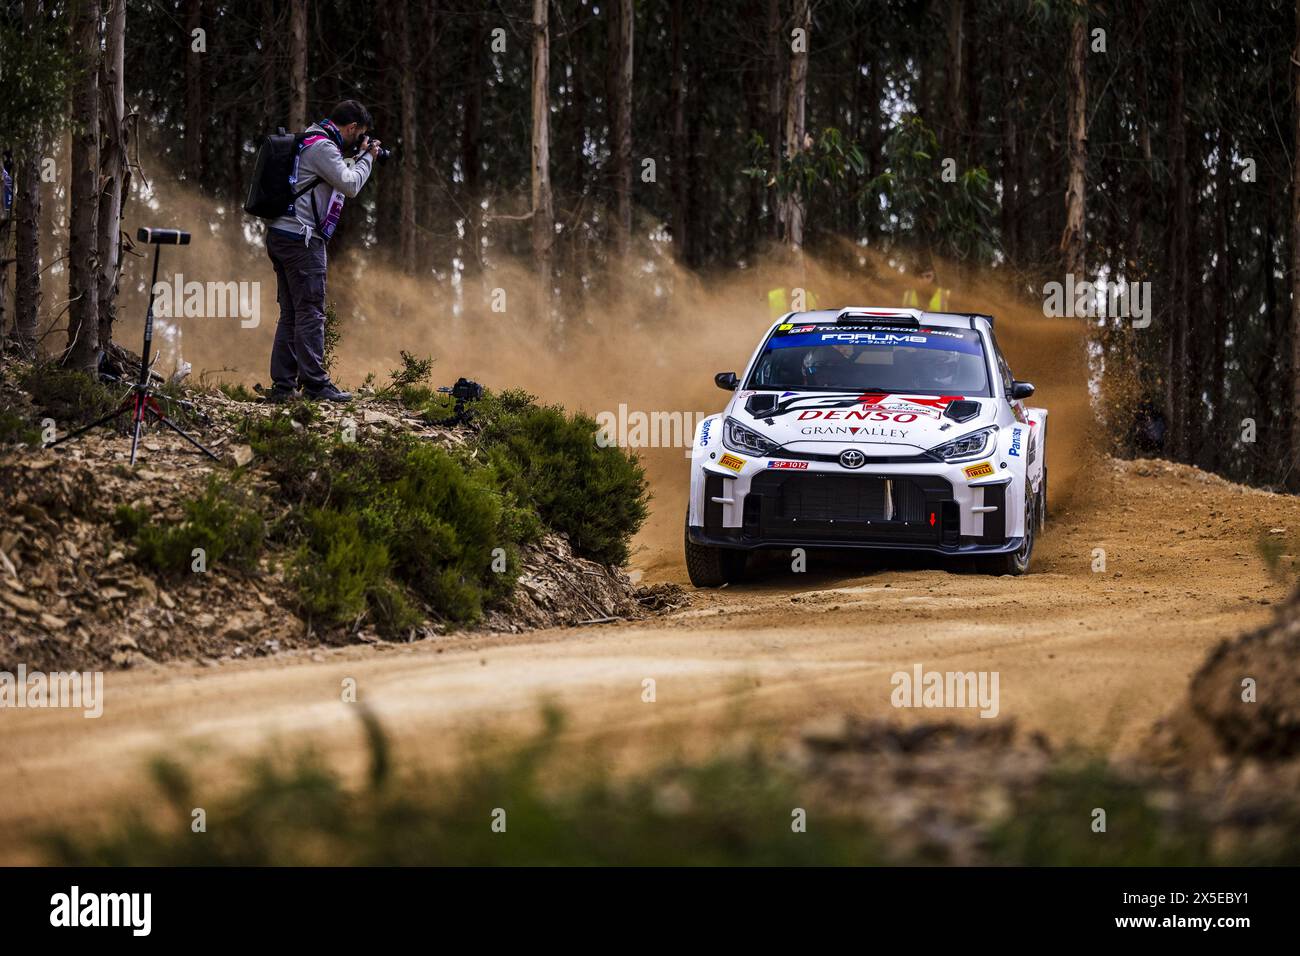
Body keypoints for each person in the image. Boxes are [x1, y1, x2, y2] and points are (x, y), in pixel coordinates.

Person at [265, 100, 382, 403]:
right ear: (352, 128)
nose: (358, 140)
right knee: (310, 312)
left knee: (292, 312)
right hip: (302, 241)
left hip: (282, 234)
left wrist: (357, 154)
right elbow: (350, 185)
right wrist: (367, 158)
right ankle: (316, 385)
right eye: (359, 135)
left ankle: (283, 386)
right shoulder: (323, 148)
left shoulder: (310, 138)